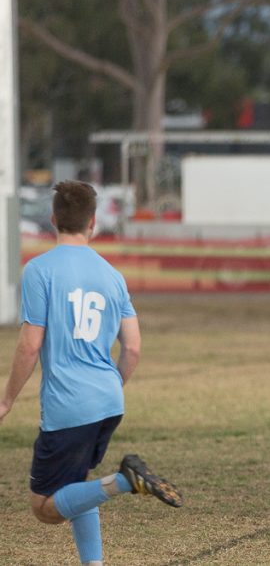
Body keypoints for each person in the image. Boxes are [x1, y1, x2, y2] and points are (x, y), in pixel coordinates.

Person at [0, 181, 182, 566]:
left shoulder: (39, 270)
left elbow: (30, 344)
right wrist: (111, 385)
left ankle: (124, 481)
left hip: (69, 405)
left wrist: (6, 398)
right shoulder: (112, 275)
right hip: (109, 399)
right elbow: (132, 347)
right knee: (78, 485)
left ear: (53, 219)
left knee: (44, 507)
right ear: (93, 223)